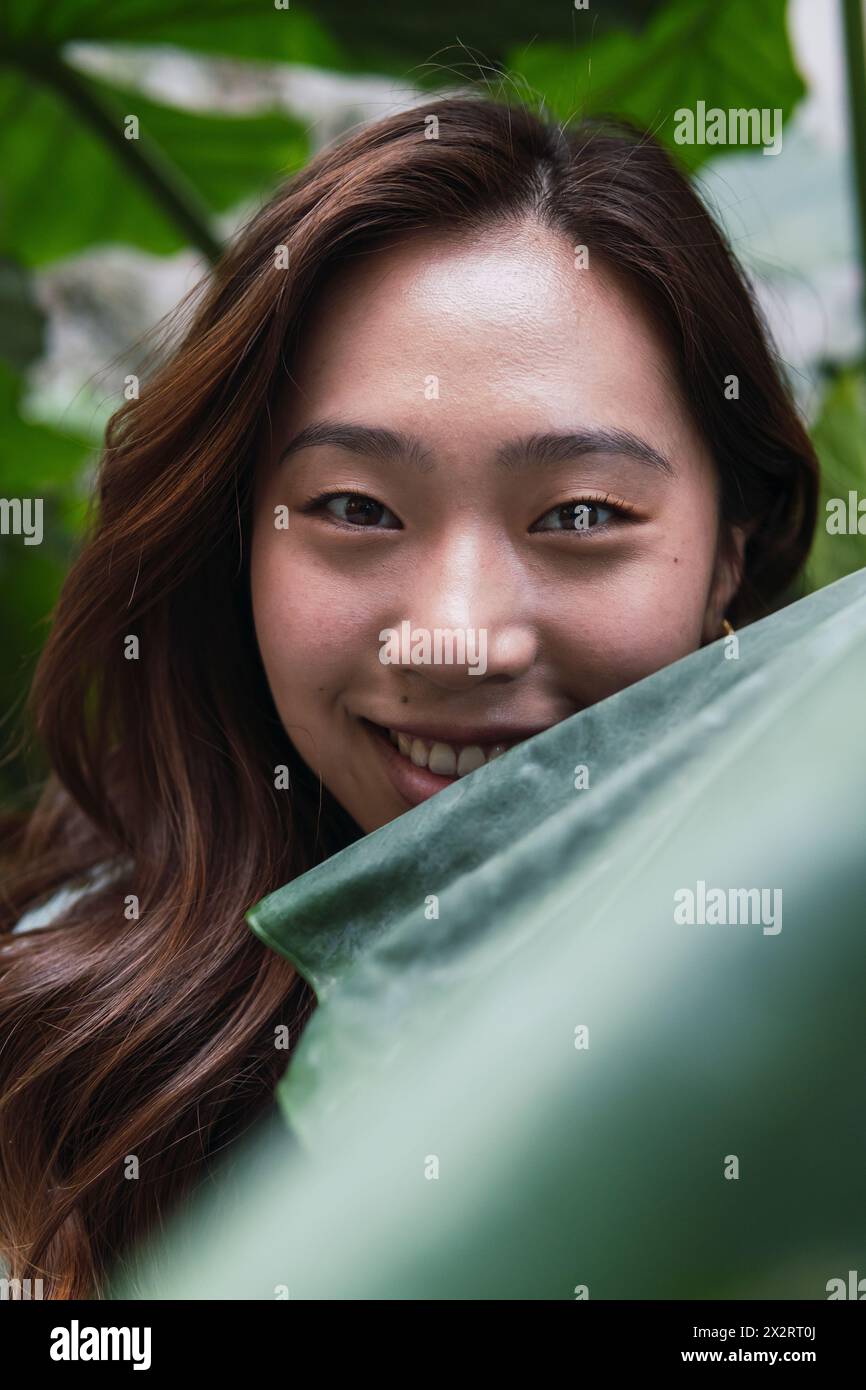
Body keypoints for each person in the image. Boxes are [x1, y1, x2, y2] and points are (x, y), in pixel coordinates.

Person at [0, 94, 818, 1298]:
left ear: (727, 554)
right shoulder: (61, 1054)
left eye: (580, 515)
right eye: (354, 508)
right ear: (240, 546)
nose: (455, 639)